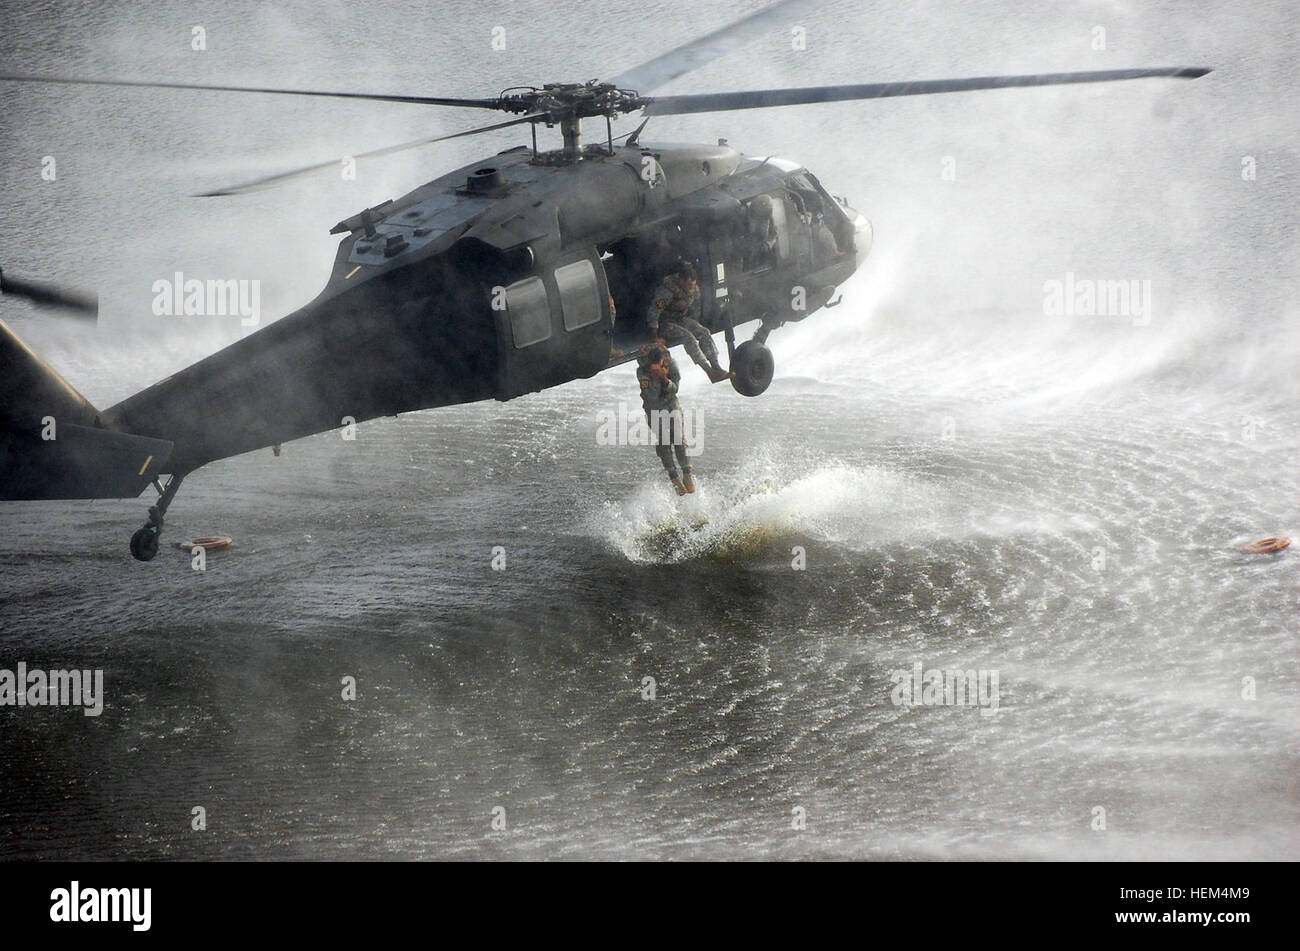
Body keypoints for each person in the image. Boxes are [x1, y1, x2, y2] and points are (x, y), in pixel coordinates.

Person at [644, 260, 730, 383]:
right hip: (664, 323)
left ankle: (716, 367)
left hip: (680, 319)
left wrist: (694, 325)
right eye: (688, 284)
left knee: (704, 332)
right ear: (681, 280)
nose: (691, 287)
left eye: (693, 284)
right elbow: (654, 312)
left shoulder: (694, 290)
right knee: (688, 337)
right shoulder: (667, 292)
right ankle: (709, 372)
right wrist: (655, 337)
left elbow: (695, 309)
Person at [636, 344, 695, 495]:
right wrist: (656, 379)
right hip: (653, 408)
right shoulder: (642, 373)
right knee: (664, 442)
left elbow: (676, 388)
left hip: (670, 403)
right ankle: (674, 477)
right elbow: (651, 396)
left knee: (678, 438)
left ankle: (687, 473)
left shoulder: (671, 365)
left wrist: (665, 379)